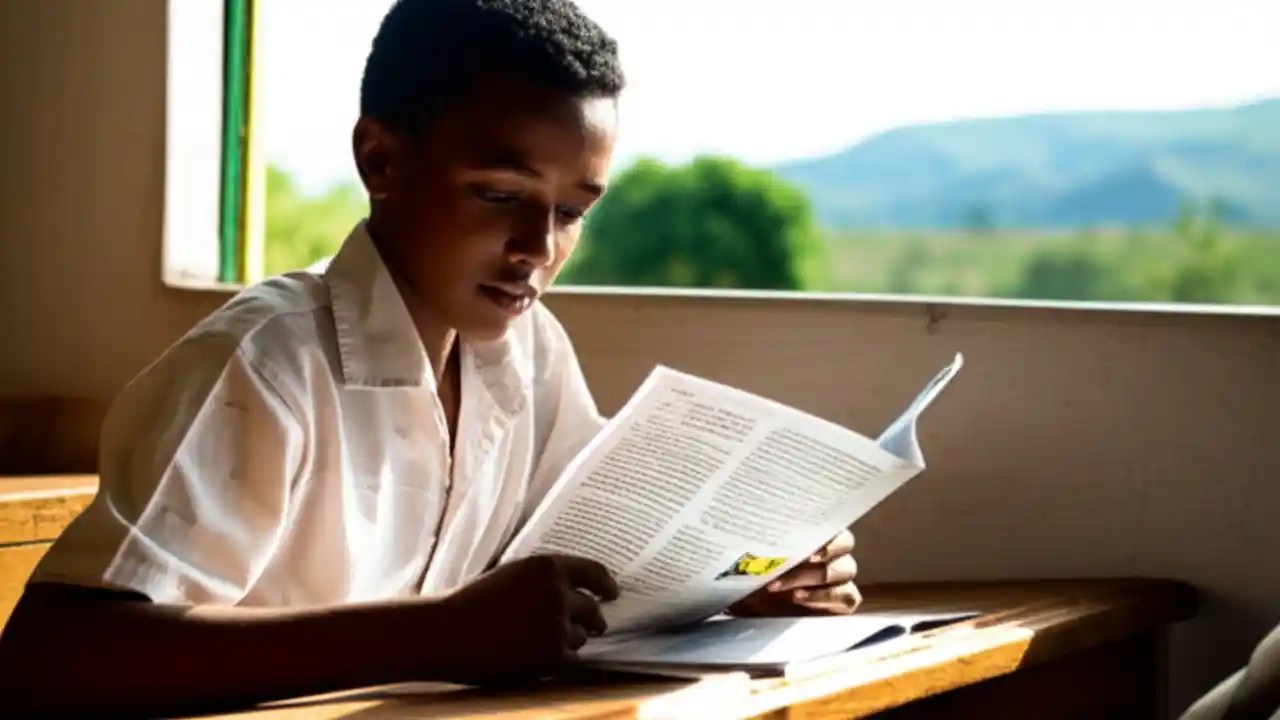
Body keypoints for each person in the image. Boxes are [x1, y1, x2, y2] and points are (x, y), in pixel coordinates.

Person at [0, 0, 858, 716]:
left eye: (572, 212)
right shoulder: (263, 362)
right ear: (380, 160)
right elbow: (56, 655)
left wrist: (744, 579)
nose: (537, 248)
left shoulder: (529, 355)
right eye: (500, 196)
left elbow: (599, 580)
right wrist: (434, 632)